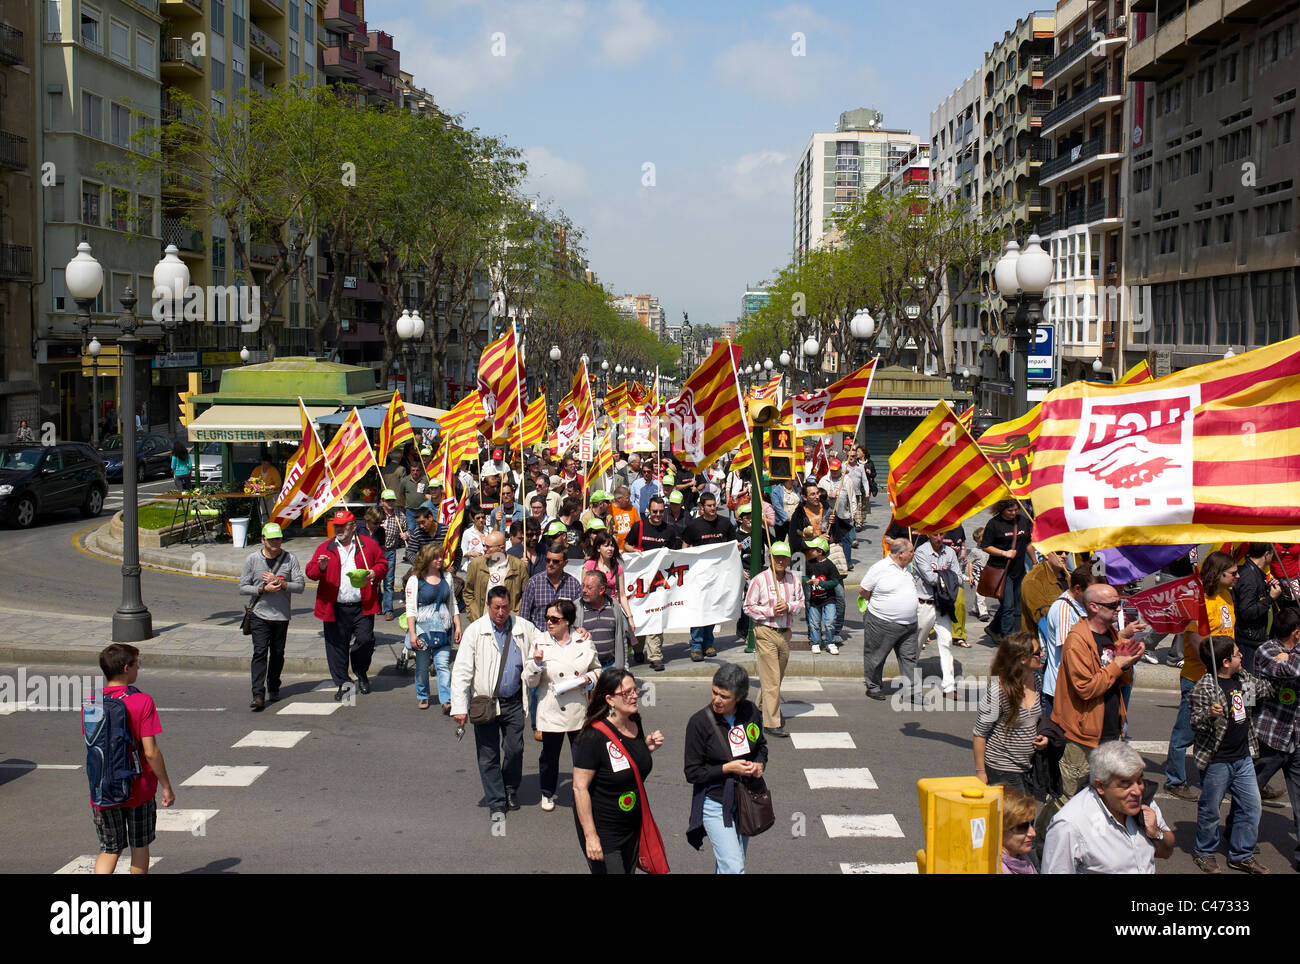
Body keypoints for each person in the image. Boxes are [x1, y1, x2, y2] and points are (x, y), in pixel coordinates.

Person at [451, 586, 543, 821]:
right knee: (488, 754)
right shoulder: (475, 631)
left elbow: (544, 644)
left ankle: (510, 788)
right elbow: (461, 671)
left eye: (505, 607)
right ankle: (496, 800)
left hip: (513, 702)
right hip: (485, 703)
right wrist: (459, 707)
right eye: (496, 608)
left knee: (515, 749)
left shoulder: (523, 627)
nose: (501, 612)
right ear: (488, 607)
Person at [1052, 583, 1147, 800]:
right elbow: (1086, 688)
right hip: (1083, 736)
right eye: (1113, 604)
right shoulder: (1077, 641)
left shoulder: (1112, 634)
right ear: (1094, 607)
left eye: (1119, 603)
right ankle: (1044, 834)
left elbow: (1122, 681)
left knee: (1104, 798)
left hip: (1110, 730)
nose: (1118, 609)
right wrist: (1118, 664)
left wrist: (1129, 662)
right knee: (1067, 797)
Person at [1189, 635, 1275, 874]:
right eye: (1237, 654)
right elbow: (1196, 723)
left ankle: (1241, 854)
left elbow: (1263, 690)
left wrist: (1284, 672)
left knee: (1252, 807)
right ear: (1225, 661)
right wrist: (1209, 714)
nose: (1241, 656)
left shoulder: (1242, 679)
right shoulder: (1204, 687)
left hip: (1243, 757)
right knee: (1211, 809)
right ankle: (1205, 852)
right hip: (1217, 761)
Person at [88, 643, 176, 874]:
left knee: (109, 848)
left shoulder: (92, 702)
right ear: (126, 668)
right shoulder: (142, 701)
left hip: (103, 787)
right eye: (137, 664)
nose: (138, 669)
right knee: (139, 845)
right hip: (139, 788)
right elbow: (151, 752)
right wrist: (166, 786)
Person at [572, 667, 665, 873]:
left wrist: (646, 747)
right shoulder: (593, 737)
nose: (634, 696)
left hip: (631, 827)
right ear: (610, 700)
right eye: (627, 693)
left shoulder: (634, 722)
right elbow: (579, 788)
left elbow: (626, 763)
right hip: (604, 831)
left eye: (635, 690)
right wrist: (591, 836)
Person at [1164, 550, 1238, 802]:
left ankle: (1215, 777)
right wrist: (1218, 663)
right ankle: (1174, 780)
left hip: (1222, 676)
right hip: (1199, 678)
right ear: (1218, 574)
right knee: (1185, 733)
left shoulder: (1226, 595)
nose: (1238, 576)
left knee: (1216, 732)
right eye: (1233, 573)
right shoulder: (1197, 602)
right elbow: (1198, 643)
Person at [684, 663, 770, 874]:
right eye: (714, 692)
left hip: (744, 800)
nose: (717, 700)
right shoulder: (699, 723)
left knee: (731, 863)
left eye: (724, 696)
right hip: (715, 803)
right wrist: (727, 769)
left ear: (738, 698)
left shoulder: (750, 712)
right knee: (734, 866)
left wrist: (759, 764)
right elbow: (692, 772)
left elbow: (761, 746)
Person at [1040, 741, 1173, 874]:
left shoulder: (1143, 802)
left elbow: (1166, 852)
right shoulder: (1069, 826)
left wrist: (1157, 833)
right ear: (1101, 786)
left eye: (1139, 781)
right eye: (1126, 784)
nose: (1137, 791)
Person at [522, 598, 601, 811]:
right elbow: (529, 681)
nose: (549, 622)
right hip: (551, 710)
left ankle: (582, 792)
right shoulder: (540, 641)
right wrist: (536, 664)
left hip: (578, 709)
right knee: (549, 756)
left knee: (582, 757)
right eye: (547, 618)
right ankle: (547, 792)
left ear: (567, 621)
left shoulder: (583, 640)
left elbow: (597, 669)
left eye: (554, 619)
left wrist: (590, 679)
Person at [305, 509, 388, 700]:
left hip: (362, 605)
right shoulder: (326, 548)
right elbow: (311, 572)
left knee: (365, 641)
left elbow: (383, 565)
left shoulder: (368, 545)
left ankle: (360, 672)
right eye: (336, 526)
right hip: (335, 607)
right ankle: (344, 684)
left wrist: (374, 573)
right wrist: (321, 567)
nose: (339, 529)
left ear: (352, 527)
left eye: (342, 526)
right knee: (336, 648)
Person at [1251, 606, 1300, 869]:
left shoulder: (1289, 653)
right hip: (1271, 735)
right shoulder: (1266, 651)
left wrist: (1291, 656)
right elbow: (1290, 672)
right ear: (1296, 632)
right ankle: (1239, 836)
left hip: (1297, 735)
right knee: (1251, 792)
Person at [238, 522, 304, 711]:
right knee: (260, 652)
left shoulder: (290, 559)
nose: (275, 542)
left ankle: (274, 685)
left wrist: (282, 584)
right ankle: (258, 694)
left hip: (281, 615)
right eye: (271, 539)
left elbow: (300, 586)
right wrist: (262, 589)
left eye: (278, 539)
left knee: (277, 653)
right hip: (259, 614)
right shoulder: (252, 559)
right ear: (263, 540)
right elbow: (242, 587)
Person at [743, 541, 804, 737]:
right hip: (766, 632)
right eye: (776, 557)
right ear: (770, 558)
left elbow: (801, 603)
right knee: (771, 680)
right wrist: (770, 611)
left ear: (788, 560)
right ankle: (772, 722)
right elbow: (748, 607)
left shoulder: (794, 580)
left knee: (776, 677)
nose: (780, 561)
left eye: (783, 558)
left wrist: (788, 607)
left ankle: (760, 706)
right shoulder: (759, 580)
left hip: (785, 633)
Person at [973, 632, 1048, 792]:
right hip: (1002, 768)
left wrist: (1045, 737)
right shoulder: (998, 690)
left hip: (1028, 766)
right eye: (1037, 652)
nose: (1042, 654)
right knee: (1020, 816)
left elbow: (1036, 720)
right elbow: (980, 734)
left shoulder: (1038, 680)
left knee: (1025, 814)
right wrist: (980, 772)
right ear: (1023, 659)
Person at [623, 494, 679, 671]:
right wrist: (635, 551)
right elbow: (626, 545)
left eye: (662, 511)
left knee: (656, 616)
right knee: (639, 616)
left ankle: (655, 656)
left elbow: (674, 555)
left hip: (659, 583)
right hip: (639, 583)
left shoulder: (669, 530)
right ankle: (638, 649)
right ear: (648, 510)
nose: (658, 514)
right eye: (655, 511)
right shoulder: (638, 526)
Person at [860, 538, 921, 701]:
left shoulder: (909, 568)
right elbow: (864, 590)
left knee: (909, 658)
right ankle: (873, 686)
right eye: (911, 551)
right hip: (882, 622)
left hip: (909, 625)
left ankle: (912, 692)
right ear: (901, 554)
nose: (913, 554)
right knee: (876, 656)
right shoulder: (879, 568)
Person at [405, 543, 462, 712]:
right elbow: (410, 609)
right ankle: (423, 695)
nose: (440, 560)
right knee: (422, 666)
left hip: (443, 628)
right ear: (427, 559)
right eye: (436, 557)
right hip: (423, 630)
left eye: (440, 556)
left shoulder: (447, 577)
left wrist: (458, 626)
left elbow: (452, 603)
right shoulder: (415, 580)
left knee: (442, 664)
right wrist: (413, 634)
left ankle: (446, 699)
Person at [910, 531, 964, 698]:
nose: (939, 538)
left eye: (942, 535)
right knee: (916, 644)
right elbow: (928, 577)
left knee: (947, 641)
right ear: (928, 535)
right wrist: (947, 577)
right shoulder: (921, 552)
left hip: (943, 604)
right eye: (935, 535)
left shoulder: (949, 552)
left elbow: (960, 578)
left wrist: (942, 577)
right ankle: (910, 681)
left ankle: (949, 686)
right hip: (925, 603)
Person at [682, 493, 735, 661]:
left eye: (714, 505)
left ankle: (708, 643)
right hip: (699, 577)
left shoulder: (726, 524)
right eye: (709, 505)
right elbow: (685, 546)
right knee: (699, 610)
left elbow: (733, 546)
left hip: (719, 576)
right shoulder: (694, 525)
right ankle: (696, 646)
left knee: (712, 610)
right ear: (702, 507)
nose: (713, 508)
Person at [1039, 565, 1093, 721]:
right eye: (1091, 591)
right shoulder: (1064, 609)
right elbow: (1068, 652)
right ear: (1077, 589)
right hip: (1062, 690)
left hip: (1074, 688)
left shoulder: (1081, 604)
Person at [979, 500, 1032, 643]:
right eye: (1010, 511)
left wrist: (1035, 561)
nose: (1013, 513)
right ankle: (1008, 639)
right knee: (1008, 606)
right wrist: (1004, 553)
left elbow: (1027, 543)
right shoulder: (994, 524)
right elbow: (985, 546)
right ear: (1001, 509)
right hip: (1002, 572)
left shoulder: (1022, 521)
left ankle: (994, 628)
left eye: (1016, 510)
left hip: (1019, 569)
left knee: (1017, 605)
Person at [1235, 543, 1282, 672]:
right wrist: (1270, 598)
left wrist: (1268, 589)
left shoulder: (1255, 573)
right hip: (1248, 641)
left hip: (1253, 638)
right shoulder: (1250, 577)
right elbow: (1246, 611)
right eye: (1272, 554)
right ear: (1267, 554)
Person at [462, 531, 528, 623]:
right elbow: (468, 592)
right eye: (484, 545)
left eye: (488, 547)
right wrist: (473, 614)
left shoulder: (518, 566)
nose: (484, 549)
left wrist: (515, 613)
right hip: (482, 622)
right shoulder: (476, 564)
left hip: (508, 623)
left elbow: (525, 596)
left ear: (502, 548)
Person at [576, 570, 632, 670]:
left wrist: (625, 667)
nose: (584, 590)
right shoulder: (576, 608)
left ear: (601, 590)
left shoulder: (614, 606)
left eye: (589, 587)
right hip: (587, 669)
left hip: (611, 667)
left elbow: (622, 639)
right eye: (583, 586)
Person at [520, 546, 583, 634]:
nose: (551, 564)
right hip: (539, 637)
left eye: (556, 561)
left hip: (565, 638)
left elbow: (578, 616)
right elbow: (524, 617)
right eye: (548, 560)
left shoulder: (574, 585)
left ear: (565, 563)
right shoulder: (533, 583)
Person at [583, 532, 634, 629]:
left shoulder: (618, 568)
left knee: (624, 636)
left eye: (612, 546)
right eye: (606, 546)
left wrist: (629, 617)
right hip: (592, 609)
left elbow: (622, 595)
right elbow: (584, 591)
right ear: (598, 548)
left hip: (612, 608)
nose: (610, 549)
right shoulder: (589, 565)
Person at [804, 537, 840, 655]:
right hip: (815, 599)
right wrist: (807, 580)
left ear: (820, 552)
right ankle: (815, 642)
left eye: (812, 549)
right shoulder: (809, 564)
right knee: (814, 622)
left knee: (830, 621)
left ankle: (830, 642)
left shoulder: (830, 565)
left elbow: (835, 581)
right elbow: (804, 576)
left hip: (829, 599)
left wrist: (822, 583)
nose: (810, 551)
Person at [375, 490, 408, 621]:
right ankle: (377, 604)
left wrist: (406, 535)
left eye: (392, 500)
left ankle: (388, 609)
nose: (390, 503)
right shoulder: (377, 515)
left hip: (390, 551)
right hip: (376, 551)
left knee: (389, 581)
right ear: (382, 501)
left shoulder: (399, 516)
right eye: (387, 500)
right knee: (375, 580)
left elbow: (407, 530)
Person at [1021, 548, 1070, 634]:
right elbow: (1041, 618)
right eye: (1059, 552)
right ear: (1046, 554)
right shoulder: (1033, 580)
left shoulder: (1069, 578)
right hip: (1043, 641)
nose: (1064, 556)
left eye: (1067, 552)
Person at [1000, 787, 1040, 874]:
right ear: (998, 829)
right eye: (1022, 827)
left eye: (1031, 823)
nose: (1033, 833)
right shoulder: (994, 869)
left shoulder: (1021, 857)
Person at [966, 527, 993, 621]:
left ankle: (975, 608)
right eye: (979, 541)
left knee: (981, 592)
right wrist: (970, 575)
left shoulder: (990, 548)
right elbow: (970, 563)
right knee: (980, 593)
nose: (981, 543)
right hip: (977, 575)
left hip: (987, 574)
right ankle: (983, 612)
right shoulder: (975, 551)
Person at [396, 459, 429, 535]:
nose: (415, 472)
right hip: (410, 510)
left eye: (417, 470)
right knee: (411, 528)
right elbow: (401, 494)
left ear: (420, 470)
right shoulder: (405, 481)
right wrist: (405, 503)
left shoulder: (425, 479)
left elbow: (428, 493)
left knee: (422, 528)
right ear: (410, 471)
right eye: (413, 470)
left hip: (422, 510)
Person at [607, 485, 641, 552]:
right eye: (627, 498)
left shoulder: (632, 508)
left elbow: (638, 526)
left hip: (631, 550)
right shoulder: (609, 510)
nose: (629, 500)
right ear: (619, 499)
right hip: (615, 551)